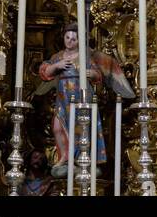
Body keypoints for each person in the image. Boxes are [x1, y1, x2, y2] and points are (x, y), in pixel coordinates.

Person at [36, 26, 134, 178]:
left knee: (81, 129)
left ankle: (83, 160)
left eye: (74, 39)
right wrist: (57, 66)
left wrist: (92, 73)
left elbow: (97, 75)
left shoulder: (85, 57)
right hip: (63, 100)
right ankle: (65, 156)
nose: (70, 41)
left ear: (80, 41)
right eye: (67, 37)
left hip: (81, 98)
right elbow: (44, 71)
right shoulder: (58, 56)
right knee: (57, 128)